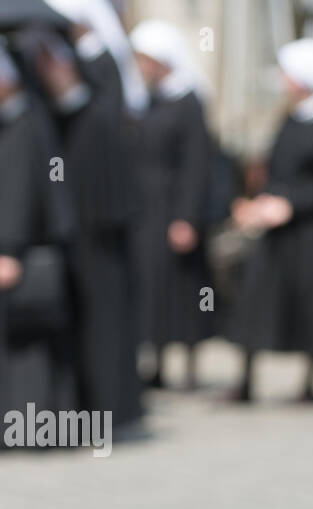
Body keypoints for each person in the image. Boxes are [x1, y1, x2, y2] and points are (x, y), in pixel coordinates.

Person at [0, 34, 79, 450]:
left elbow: (22, 196)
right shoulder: (8, 123)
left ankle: (31, 431)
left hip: (20, 253)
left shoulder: (27, 124)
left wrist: (8, 248)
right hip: (3, 250)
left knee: (28, 351)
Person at [228, 38, 313, 403]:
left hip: (311, 231)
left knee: (311, 305)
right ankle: (245, 380)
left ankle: (310, 382)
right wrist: (258, 204)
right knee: (256, 300)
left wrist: (290, 204)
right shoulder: (288, 119)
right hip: (276, 231)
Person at [26, 28, 142, 431]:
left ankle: (110, 414)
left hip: (101, 244)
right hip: (66, 243)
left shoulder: (99, 115)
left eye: (54, 61)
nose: (49, 71)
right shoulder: (45, 118)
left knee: (104, 330)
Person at [128, 20, 213, 390]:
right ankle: (155, 360)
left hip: (175, 206)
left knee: (183, 288)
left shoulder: (189, 102)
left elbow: (197, 165)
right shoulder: (150, 99)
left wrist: (186, 217)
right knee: (152, 287)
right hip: (147, 208)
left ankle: (190, 363)